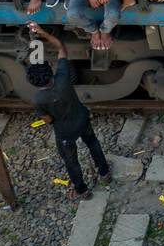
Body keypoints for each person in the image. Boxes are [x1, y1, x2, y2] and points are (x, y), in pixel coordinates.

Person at [27, 23, 111, 200]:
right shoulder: (63, 77)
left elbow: (48, 119)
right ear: (51, 73)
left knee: (72, 162)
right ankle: (104, 173)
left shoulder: (37, 100)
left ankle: (82, 191)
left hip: (65, 131)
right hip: (81, 118)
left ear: (34, 84)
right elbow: (60, 47)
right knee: (93, 144)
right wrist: (42, 32)